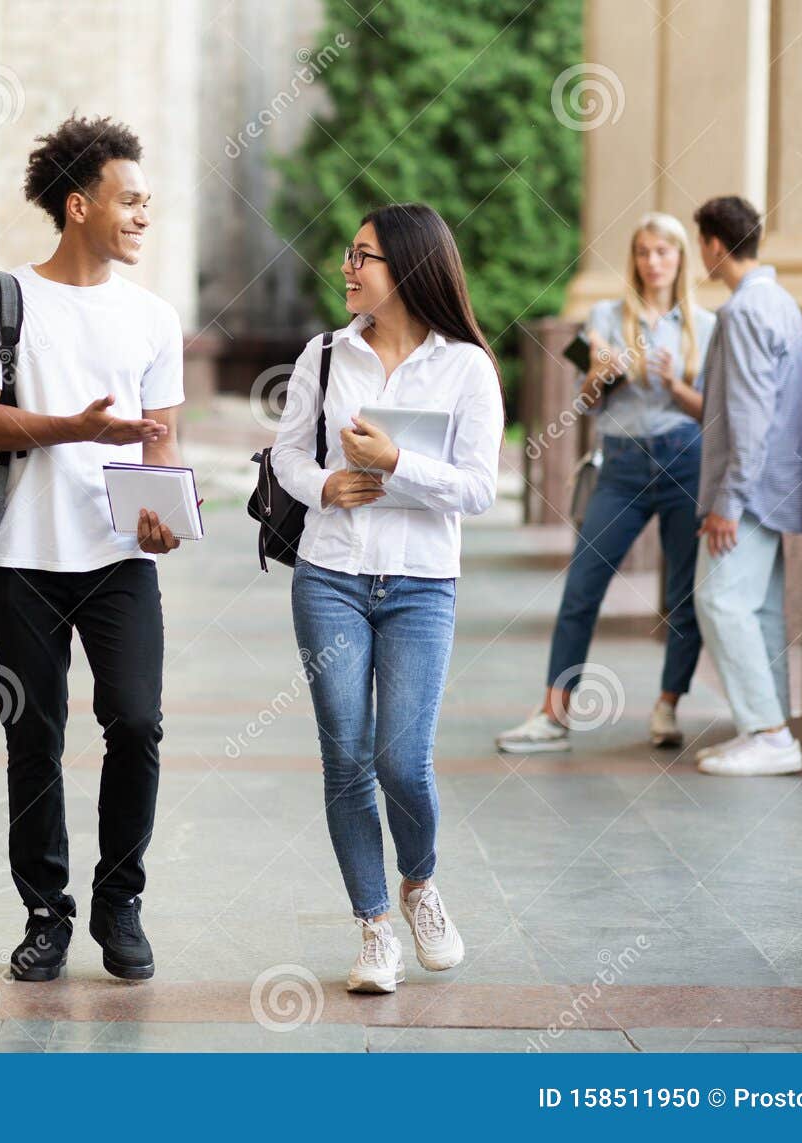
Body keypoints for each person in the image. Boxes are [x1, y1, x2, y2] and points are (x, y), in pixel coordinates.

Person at [0, 115, 185, 983]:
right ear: (78, 205)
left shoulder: (154, 316)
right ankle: (46, 912)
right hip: (19, 556)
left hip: (121, 556)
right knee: (32, 735)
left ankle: (120, 900)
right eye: (129, 200)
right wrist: (70, 430)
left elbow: (161, 438)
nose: (142, 216)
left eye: (147, 203)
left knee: (135, 720)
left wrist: (163, 509)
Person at [271, 203, 504, 993]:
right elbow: (285, 456)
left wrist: (398, 460)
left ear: (406, 267)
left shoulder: (468, 367)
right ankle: (374, 925)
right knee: (346, 756)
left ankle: (420, 884)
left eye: (362, 255)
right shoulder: (325, 356)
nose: (347, 267)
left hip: (421, 585)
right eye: (347, 252)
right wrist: (324, 483)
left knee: (403, 760)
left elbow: (478, 489)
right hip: (330, 575)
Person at [496, 214, 715, 754]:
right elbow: (585, 400)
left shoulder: (706, 326)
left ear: (681, 258)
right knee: (582, 588)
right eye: (643, 251)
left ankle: (667, 706)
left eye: (664, 251)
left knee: (682, 592)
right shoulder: (602, 318)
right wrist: (600, 372)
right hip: (621, 465)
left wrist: (671, 384)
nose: (653, 261)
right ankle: (553, 713)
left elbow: (715, 413)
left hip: (685, 459)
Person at [688, 196, 802, 777]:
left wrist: (726, 503)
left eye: (699, 244)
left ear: (714, 244)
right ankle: (767, 728)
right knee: (757, 610)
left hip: (749, 492)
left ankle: (769, 733)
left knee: (719, 600)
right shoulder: (780, 301)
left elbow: (750, 417)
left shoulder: (741, 312)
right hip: (778, 486)